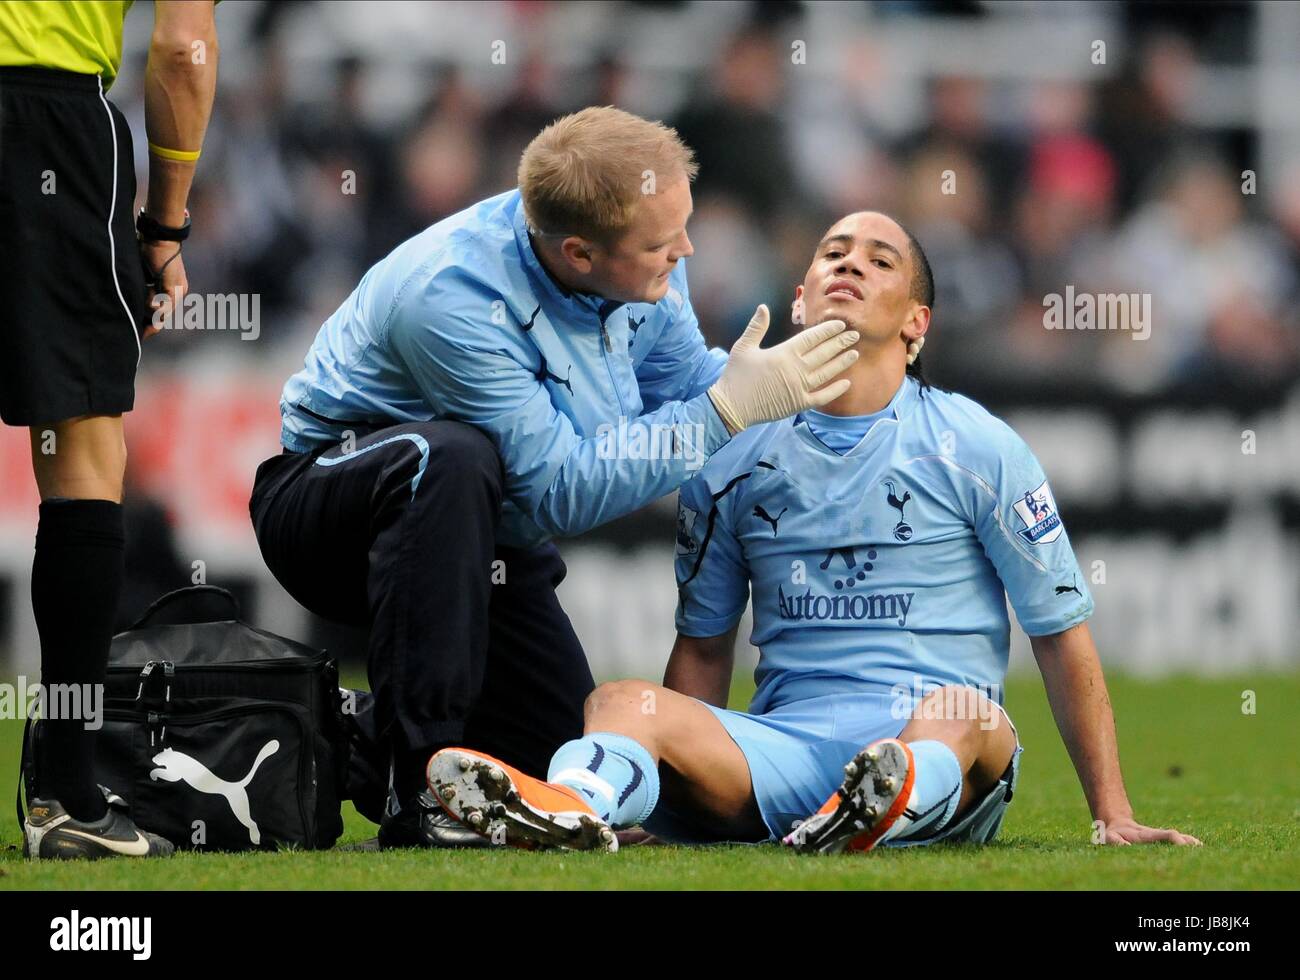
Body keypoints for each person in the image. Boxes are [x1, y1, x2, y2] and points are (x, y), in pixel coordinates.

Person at [427, 210, 1202, 853]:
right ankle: (572, 808)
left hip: (941, 741)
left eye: (879, 260)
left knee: (968, 714)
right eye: (833, 253)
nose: (849, 265)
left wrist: (1114, 810)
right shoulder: (730, 452)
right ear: (800, 301)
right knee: (625, 700)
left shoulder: (979, 446)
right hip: (786, 751)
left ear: (917, 323)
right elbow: (704, 646)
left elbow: (1061, 630)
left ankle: (886, 797)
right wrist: (672, 794)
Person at [249, 106, 860, 848]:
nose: (688, 250)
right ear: (578, 253)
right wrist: (728, 410)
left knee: (560, 777)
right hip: (328, 514)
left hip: (482, 540)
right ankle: (418, 790)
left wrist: (793, 412)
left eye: (684, 228)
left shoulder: (640, 242)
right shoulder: (450, 298)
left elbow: (687, 388)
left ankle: (353, 731)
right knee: (452, 455)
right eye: (665, 245)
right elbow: (558, 489)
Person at [2, 0, 220, 859]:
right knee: (84, 452)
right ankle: (66, 798)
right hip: (46, 117)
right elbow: (182, 48)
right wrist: (165, 225)